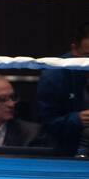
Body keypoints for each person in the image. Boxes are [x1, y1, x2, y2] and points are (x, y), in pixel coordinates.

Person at [35, 21, 89, 159]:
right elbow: (44, 124)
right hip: (65, 150)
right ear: (74, 50)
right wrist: (77, 119)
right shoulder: (54, 75)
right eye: (88, 56)